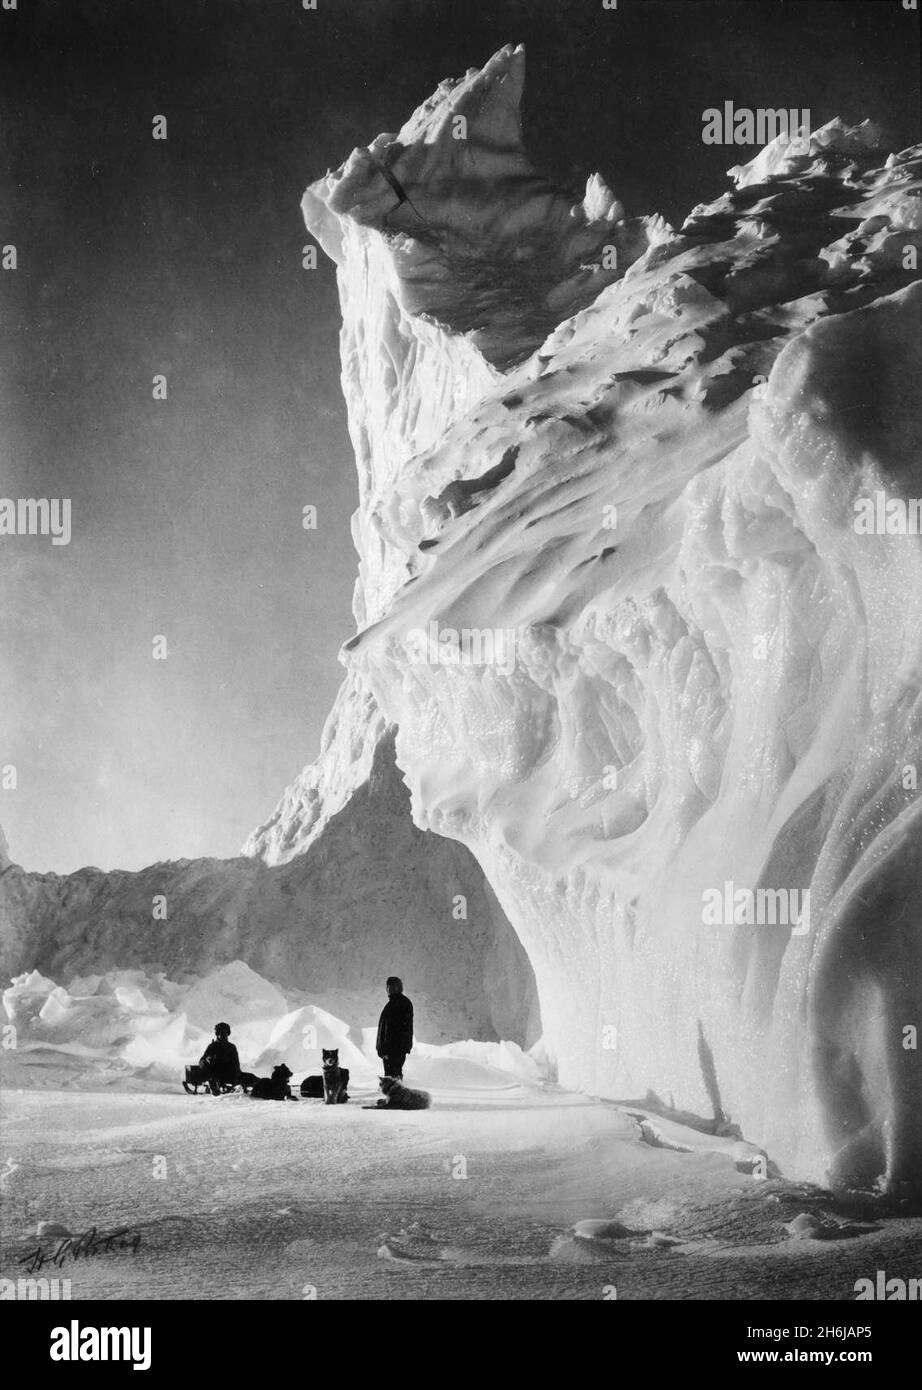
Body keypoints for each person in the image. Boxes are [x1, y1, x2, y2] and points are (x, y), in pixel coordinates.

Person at [376, 977, 414, 1080]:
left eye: (392, 986)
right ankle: (392, 1096)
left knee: (394, 1078)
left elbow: (402, 1029)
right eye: (388, 987)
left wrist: (391, 1049)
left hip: (395, 1050)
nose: (389, 989)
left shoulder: (402, 1003)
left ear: (399, 987)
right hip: (389, 1050)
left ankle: (395, 1096)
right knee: (390, 1078)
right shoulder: (391, 1004)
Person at [199, 1021, 241, 1095]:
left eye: (225, 1033)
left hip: (229, 1073)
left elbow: (236, 1063)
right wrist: (206, 1060)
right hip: (215, 1074)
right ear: (217, 1034)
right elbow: (202, 1060)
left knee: (250, 1077)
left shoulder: (231, 1047)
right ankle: (214, 1086)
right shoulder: (212, 1046)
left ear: (228, 1034)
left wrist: (237, 1074)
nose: (223, 1035)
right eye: (221, 1033)